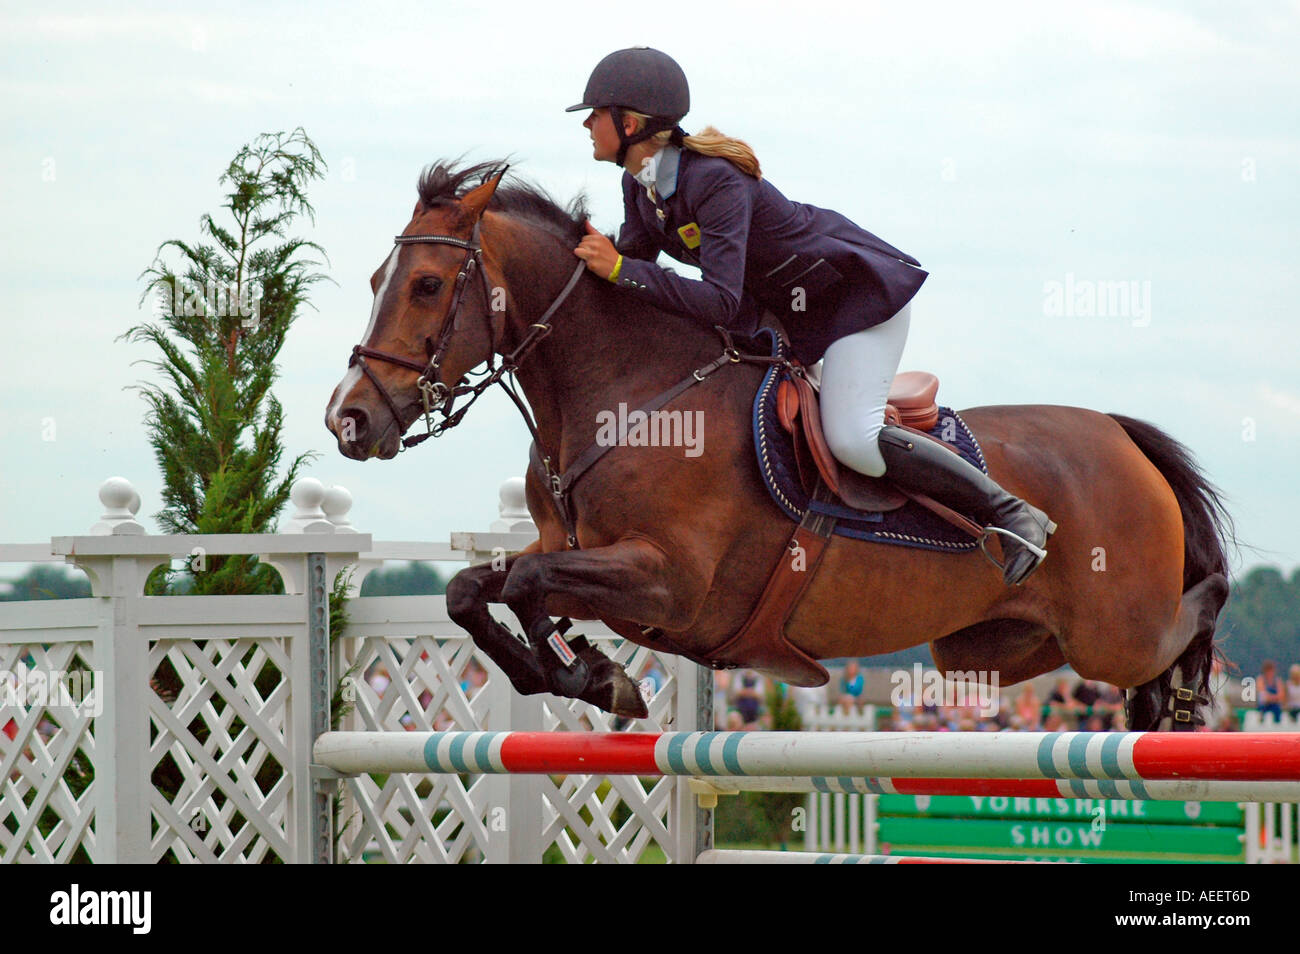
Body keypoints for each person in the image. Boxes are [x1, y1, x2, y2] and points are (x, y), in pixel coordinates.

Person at [567, 47, 1054, 585]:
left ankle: (1011, 510)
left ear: (629, 123)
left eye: (595, 113)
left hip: (854, 304)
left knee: (853, 440)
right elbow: (633, 269)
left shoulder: (716, 180)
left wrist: (620, 271)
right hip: (792, 322)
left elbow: (720, 300)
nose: (587, 123)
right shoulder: (642, 184)